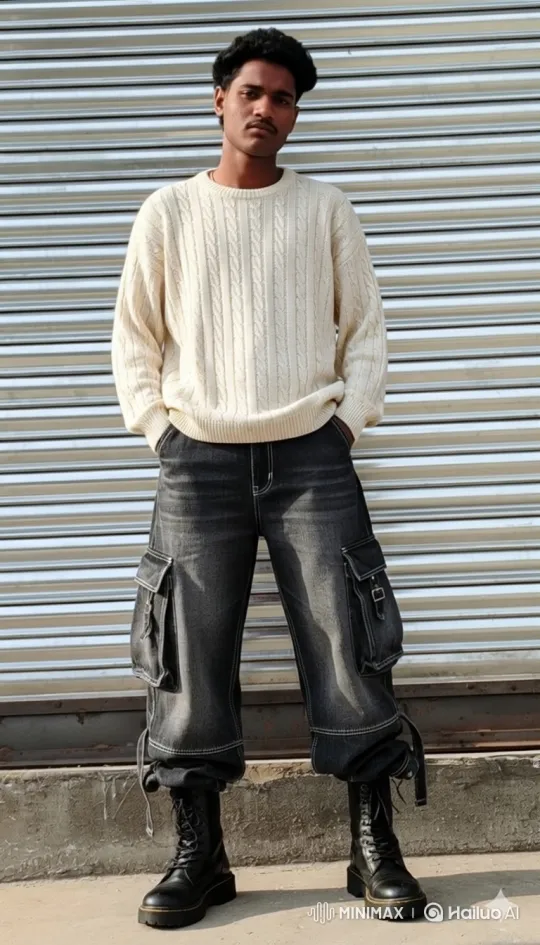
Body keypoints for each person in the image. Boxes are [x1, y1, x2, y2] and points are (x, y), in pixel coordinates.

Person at [111, 27, 428, 929]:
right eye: (251, 92)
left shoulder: (325, 206)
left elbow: (364, 329)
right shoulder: (167, 211)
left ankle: (373, 850)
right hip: (195, 461)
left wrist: (343, 423)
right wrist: (160, 432)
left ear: (296, 112)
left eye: (283, 98)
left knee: (350, 642)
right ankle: (200, 856)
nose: (266, 110)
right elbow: (135, 339)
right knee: (185, 655)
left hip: (311, 459)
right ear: (219, 100)